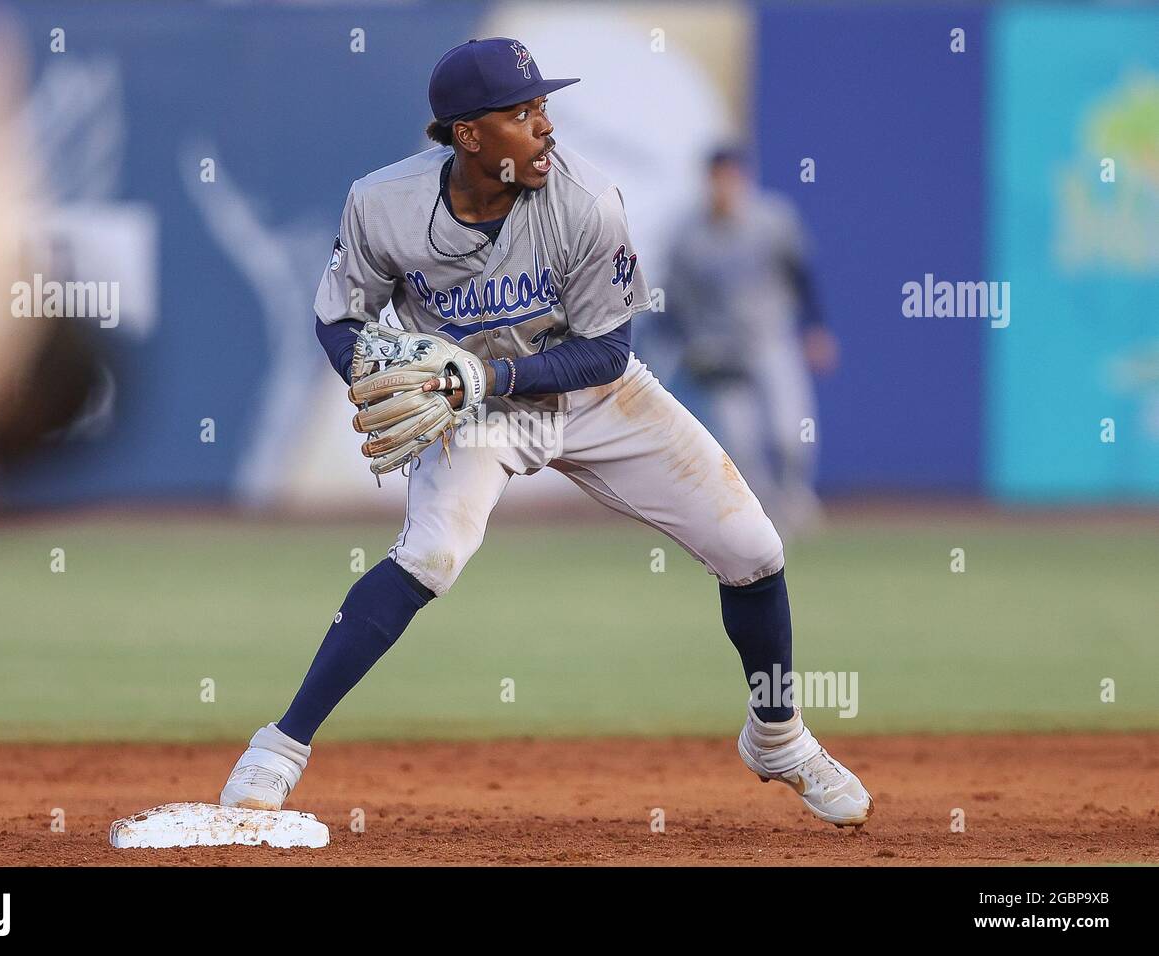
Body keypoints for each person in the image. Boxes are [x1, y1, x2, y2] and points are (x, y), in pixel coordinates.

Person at [220, 38, 871, 828]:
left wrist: (489, 377)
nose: (545, 127)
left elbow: (608, 351)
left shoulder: (586, 201)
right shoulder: (381, 204)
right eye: (522, 113)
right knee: (430, 553)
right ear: (468, 134)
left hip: (591, 394)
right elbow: (338, 319)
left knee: (756, 550)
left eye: (544, 108)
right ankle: (278, 749)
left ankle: (778, 737)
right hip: (472, 412)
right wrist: (373, 370)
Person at [663, 145, 838, 535]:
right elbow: (674, 304)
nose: (725, 185)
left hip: (770, 339)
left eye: (732, 176)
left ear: (744, 177)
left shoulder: (772, 219)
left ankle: (796, 496)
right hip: (717, 352)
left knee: (791, 431)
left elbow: (802, 274)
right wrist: (682, 351)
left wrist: (816, 327)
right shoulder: (688, 235)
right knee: (739, 444)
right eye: (718, 178)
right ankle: (766, 517)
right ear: (707, 181)